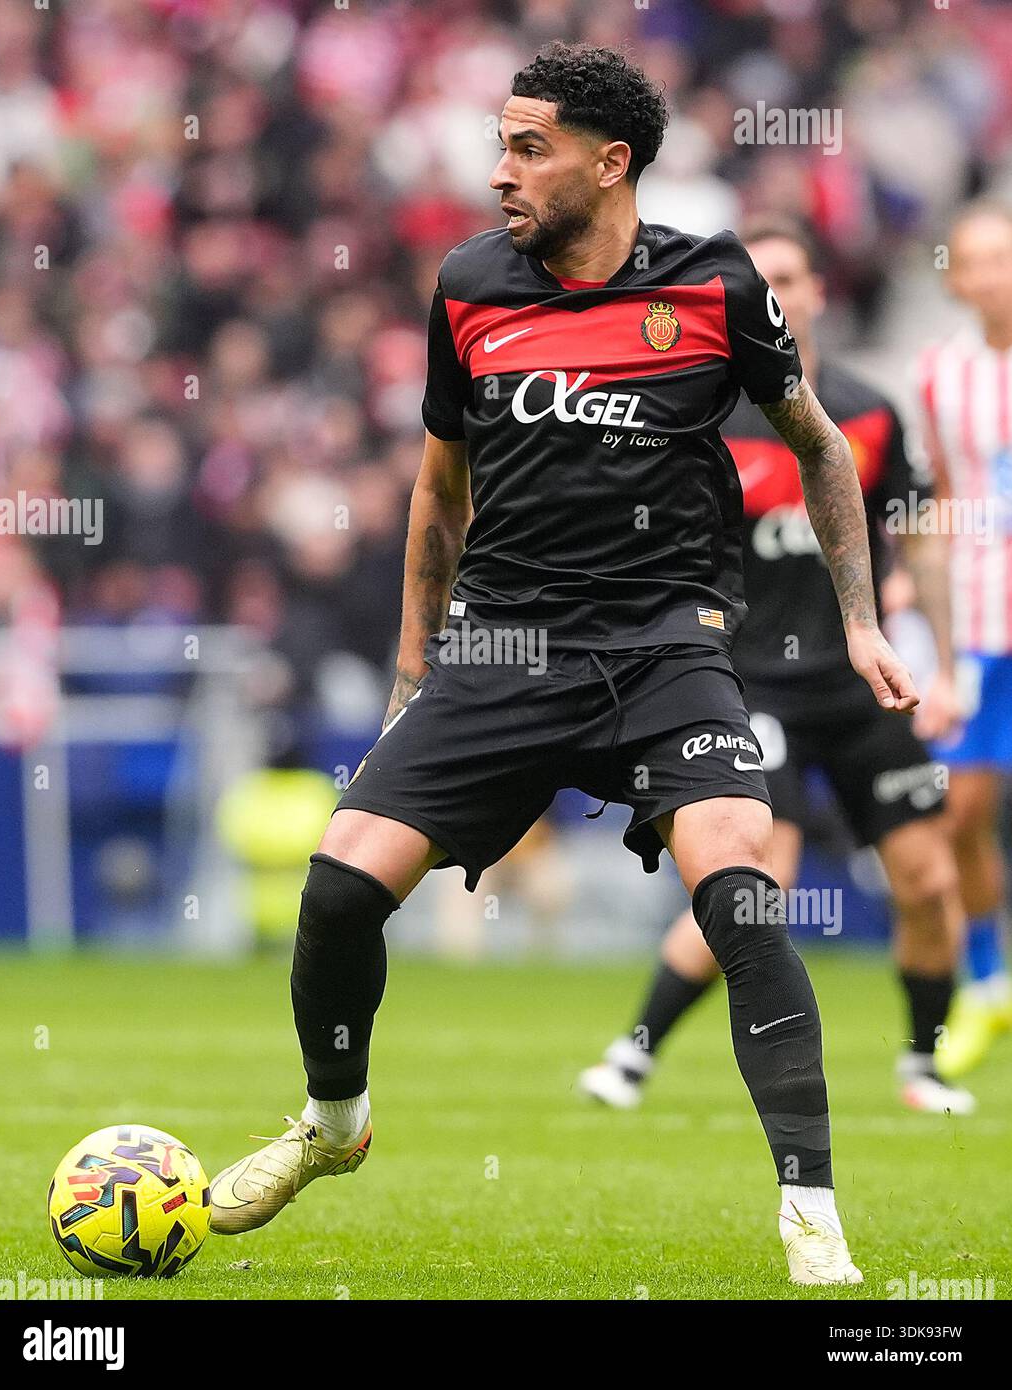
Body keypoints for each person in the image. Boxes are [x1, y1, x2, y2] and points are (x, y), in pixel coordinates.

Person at [208, 43, 921, 1285]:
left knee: (740, 888)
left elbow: (819, 448)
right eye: (498, 143)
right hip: (502, 643)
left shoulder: (713, 284)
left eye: (526, 147)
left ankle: (811, 1214)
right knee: (336, 888)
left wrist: (860, 620)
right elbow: (440, 489)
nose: (499, 173)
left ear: (611, 160)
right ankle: (334, 1124)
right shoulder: (470, 283)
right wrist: (407, 675)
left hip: (666, 642)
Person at [579, 219, 974, 1120]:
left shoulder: (867, 411)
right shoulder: (704, 411)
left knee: (930, 880)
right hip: (749, 682)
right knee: (762, 881)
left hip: (860, 677)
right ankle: (633, 1052)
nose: (779, 293)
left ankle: (922, 1064)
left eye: (791, 276)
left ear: (818, 291)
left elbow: (915, 539)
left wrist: (943, 666)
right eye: (761, 278)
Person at [917, 201, 1012, 1077]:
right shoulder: (943, 374)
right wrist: (922, 573)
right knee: (960, 812)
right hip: (985, 625)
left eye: (1000, 258)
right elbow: (943, 490)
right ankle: (989, 983)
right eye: (973, 261)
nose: (986, 275)